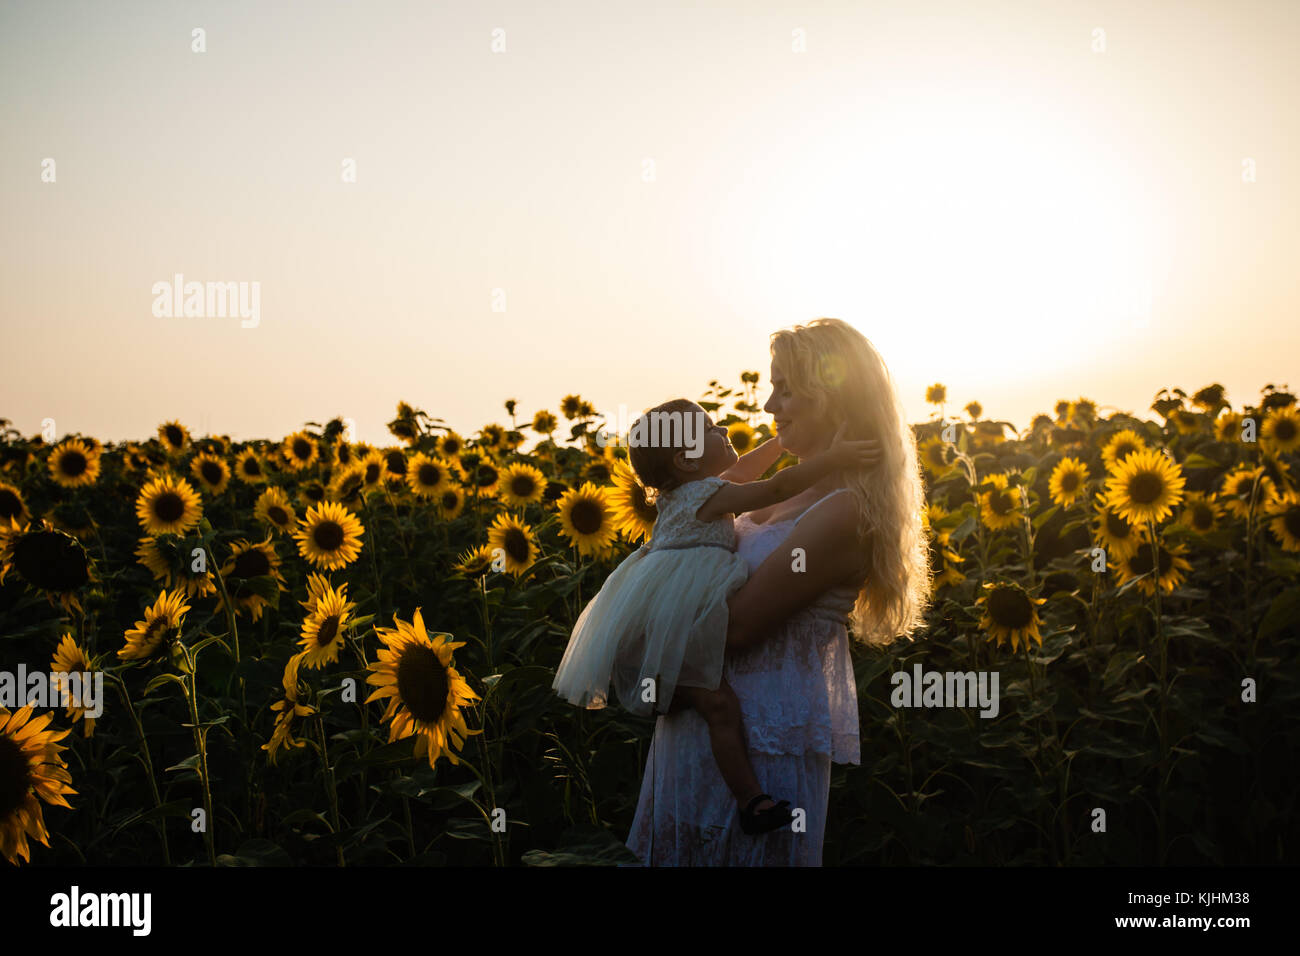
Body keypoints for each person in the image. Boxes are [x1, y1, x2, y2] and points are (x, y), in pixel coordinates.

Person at [626, 318, 932, 865]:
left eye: (786, 389)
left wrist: (657, 655)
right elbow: (748, 483)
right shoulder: (785, 491)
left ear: (832, 396)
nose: (769, 405)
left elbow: (736, 628)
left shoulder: (844, 511)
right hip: (701, 737)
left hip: (760, 747)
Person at [552, 396, 879, 834]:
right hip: (688, 619)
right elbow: (774, 488)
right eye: (712, 429)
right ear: (686, 461)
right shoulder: (710, 494)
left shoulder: (681, 495)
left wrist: (780, 442)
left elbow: (742, 470)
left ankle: (742, 794)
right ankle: (751, 800)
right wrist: (831, 459)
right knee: (720, 707)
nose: (724, 431)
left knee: (710, 705)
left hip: (662, 615)